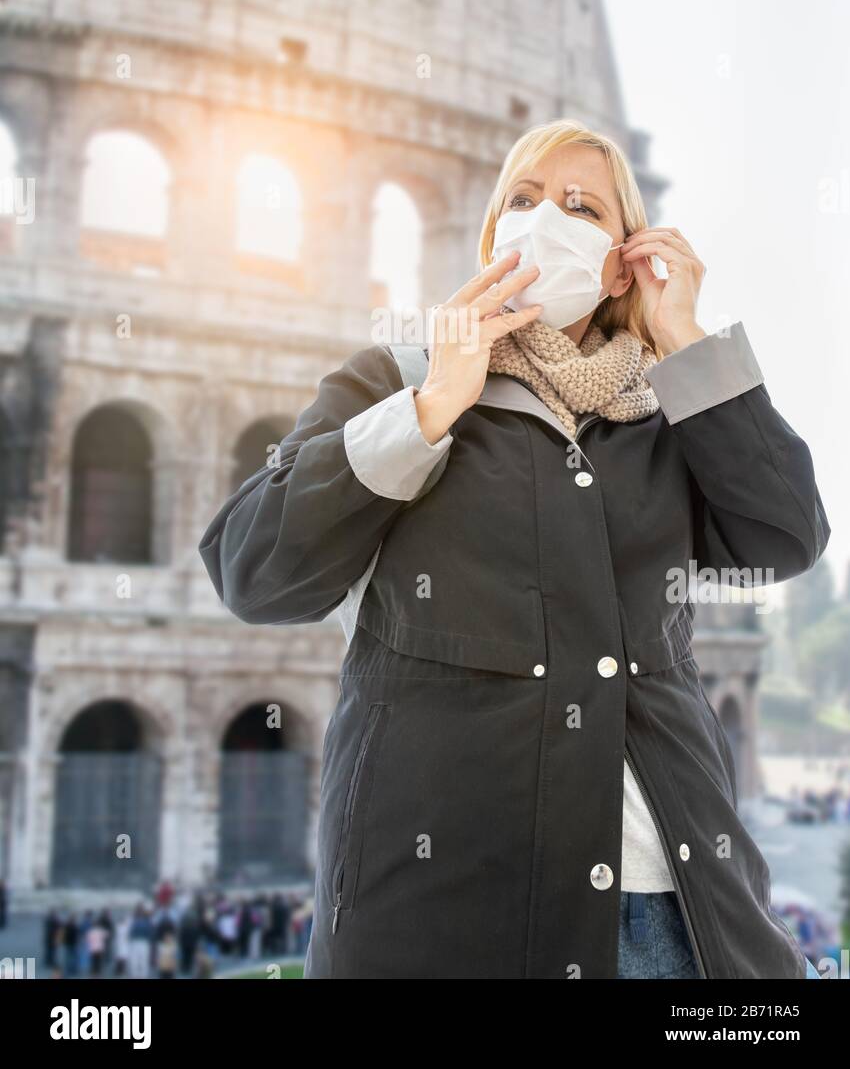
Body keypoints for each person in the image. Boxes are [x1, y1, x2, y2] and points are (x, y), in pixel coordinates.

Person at [199, 118, 830, 980]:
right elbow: (252, 570)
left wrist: (687, 342)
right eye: (524, 201)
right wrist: (429, 408)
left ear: (625, 257)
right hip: (455, 921)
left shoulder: (668, 412)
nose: (545, 221)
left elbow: (787, 535)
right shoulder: (394, 377)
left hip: (683, 923)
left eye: (581, 206)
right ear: (493, 235)